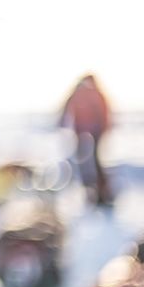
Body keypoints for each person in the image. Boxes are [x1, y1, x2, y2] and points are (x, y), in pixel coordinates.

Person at [60, 73, 113, 206]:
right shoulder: (84, 93)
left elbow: (103, 114)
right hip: (83, 131)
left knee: (93, 162)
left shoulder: (94, 94)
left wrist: (102, 130)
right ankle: (92, 192)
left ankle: (100, 192)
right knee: (84, 162)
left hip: (93, 132)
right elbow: (67, 107)